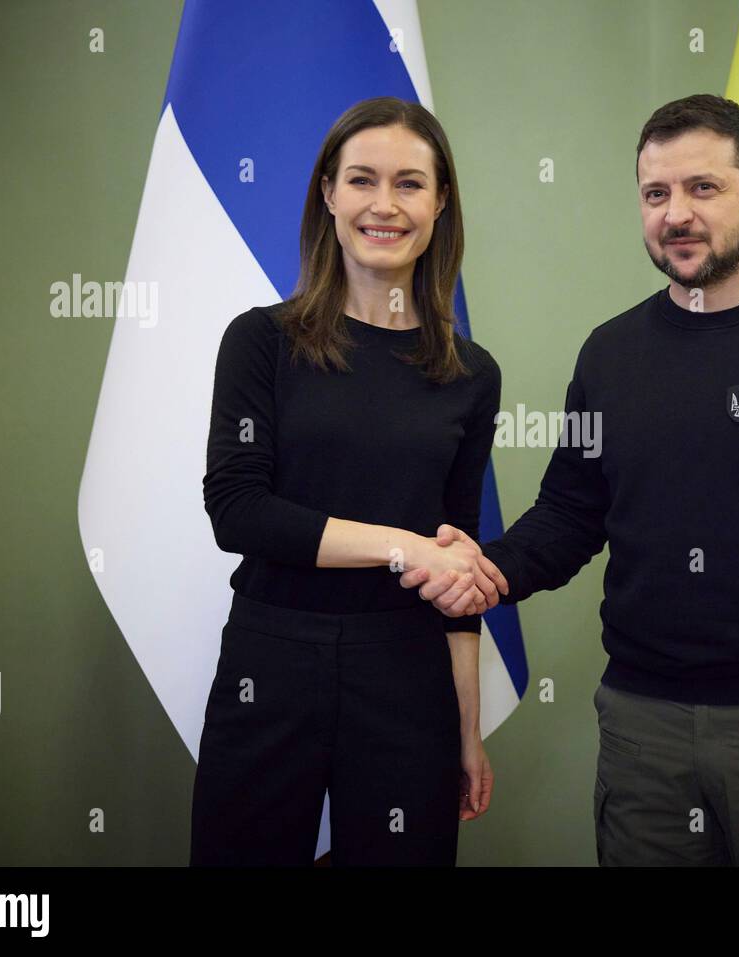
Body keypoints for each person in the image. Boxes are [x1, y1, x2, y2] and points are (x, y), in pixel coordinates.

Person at [402, 94, 739, 866]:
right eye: (656, 193)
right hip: (641, 726)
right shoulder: (611, 353)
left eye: (703, 188)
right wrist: (485, 571)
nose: (675, 214)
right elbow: (569, 514)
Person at [191, 96, 508, 866]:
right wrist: (405, 549)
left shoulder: (472, 374)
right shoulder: (261, 342)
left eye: (410, 183)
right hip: (272, 656)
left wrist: (466, 729)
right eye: (362, 179)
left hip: (407, 670)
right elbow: (237, 511)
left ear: (439, 205)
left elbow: (457, 560)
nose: (384, 204)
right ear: (328, 193)